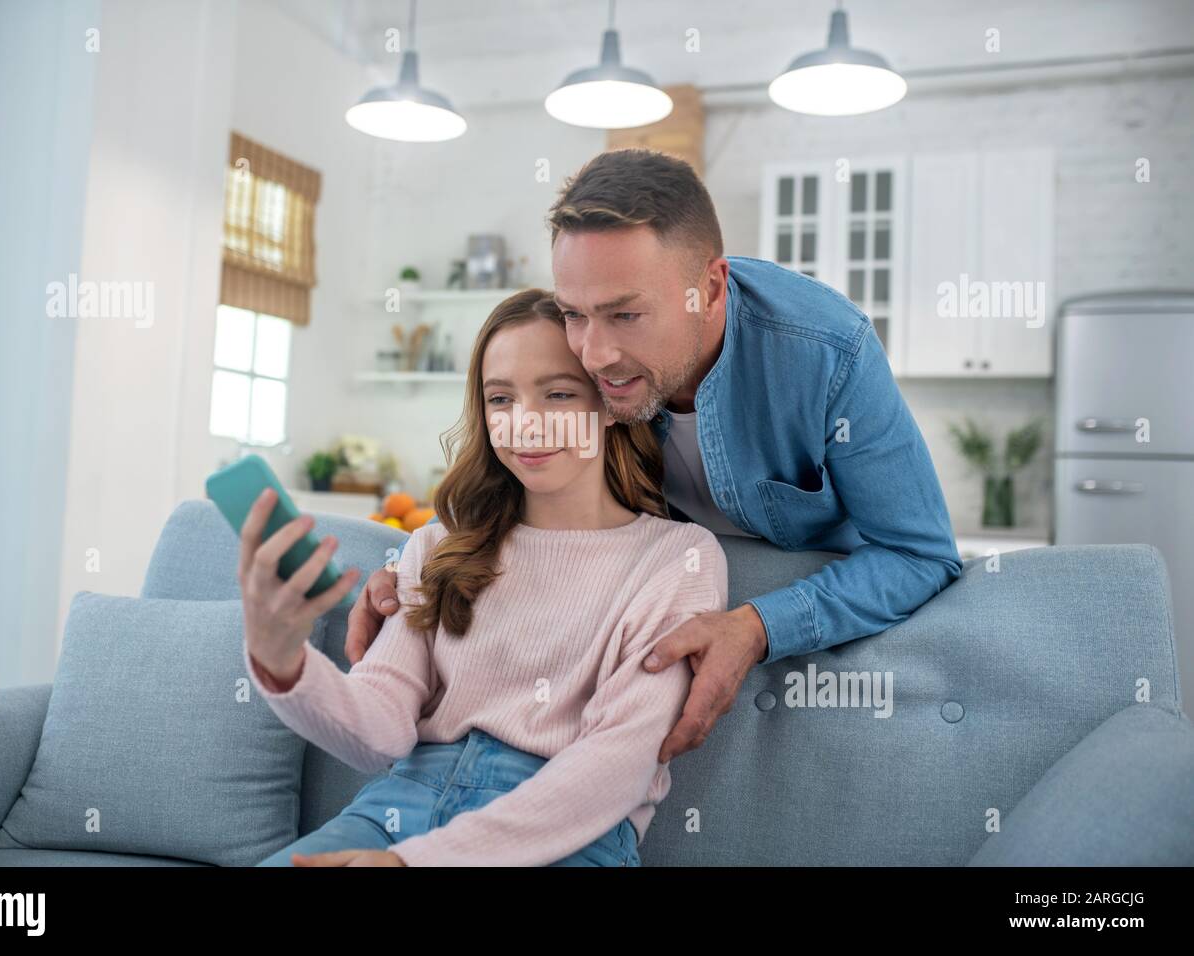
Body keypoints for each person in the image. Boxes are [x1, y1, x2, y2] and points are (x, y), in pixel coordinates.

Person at [348, 147, 963, 765]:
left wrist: (757, 626)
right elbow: (533, 471)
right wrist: (422, 567)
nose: (593, 353)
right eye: (574, 315)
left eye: (626, 315)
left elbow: (920, 552)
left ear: (711, 289)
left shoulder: (828, 351)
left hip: (816, 619)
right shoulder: (595, 363)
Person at [240, 289, 728, 866]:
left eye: (558, 394)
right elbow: (381, 731)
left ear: (608, 404)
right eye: (501, 398)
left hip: (564, 837)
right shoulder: (437, 545)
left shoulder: (678, 558)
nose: (525, 424)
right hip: (398, 807)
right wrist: (282, 662)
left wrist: (418, 862)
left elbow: (617, 763)